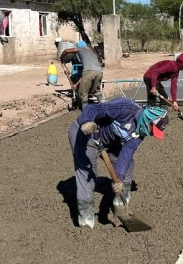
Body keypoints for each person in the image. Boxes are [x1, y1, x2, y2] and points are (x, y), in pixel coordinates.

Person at [68, 98, 169, 229]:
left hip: (107, 142)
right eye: (152, 130)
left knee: (128, 166)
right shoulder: (126, 108)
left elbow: (126, 154)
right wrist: (86, 121)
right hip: (84, 133)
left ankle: (121, 208)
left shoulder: (140, 133)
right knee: (88, 174)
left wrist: (119, 179)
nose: (150, 134)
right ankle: (86, 221)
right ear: (149, 119)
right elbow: (94, 108)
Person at [60, 41, 104, 109]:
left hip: (87, 73)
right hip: (99, 72)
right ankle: (104, 105)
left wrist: (61, 57)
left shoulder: (81, 49)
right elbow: (100, 64)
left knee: (82, 93)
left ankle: (85, 111)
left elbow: (66, 50)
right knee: (96, 91)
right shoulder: (93, 53)